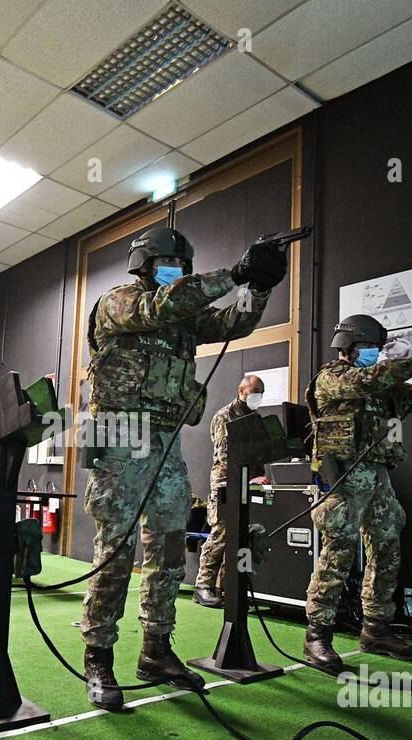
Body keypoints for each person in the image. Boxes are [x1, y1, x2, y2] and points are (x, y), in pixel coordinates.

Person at [81, 227, 287, 710]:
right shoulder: (120, 301)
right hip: (119, 433)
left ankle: (155, 648)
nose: (176, 270)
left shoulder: (186, 312)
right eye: (167, 262)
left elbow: (232, 324)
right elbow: (160, 307)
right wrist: (233, 272)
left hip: (165, 437)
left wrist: (258, 288)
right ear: (144, 265)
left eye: (181, 263)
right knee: (116, 547)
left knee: (170, 545)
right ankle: (99, 655)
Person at [303, 314, 412, 671]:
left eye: (376, 348)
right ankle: (316, 637)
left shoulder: (381, 386)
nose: (375, 354)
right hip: (343, 476)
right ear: (349, 348)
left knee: (387, 546)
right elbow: (366, 381)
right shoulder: (332, 377)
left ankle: (376, 628)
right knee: (338, 552)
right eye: (369, 348)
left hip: (377, 475)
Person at [193, 374, 269, 608]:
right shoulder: (225, 415)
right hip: (227, 482)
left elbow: (261, 452)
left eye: (261, 391)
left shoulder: (254, 418)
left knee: (244, 534)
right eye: (254, 390)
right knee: (222, 533)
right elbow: (225, 456)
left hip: (250, 482)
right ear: (241, 390)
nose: (258, 395)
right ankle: (203, 586)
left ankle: (229, 587)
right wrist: (251, 476)